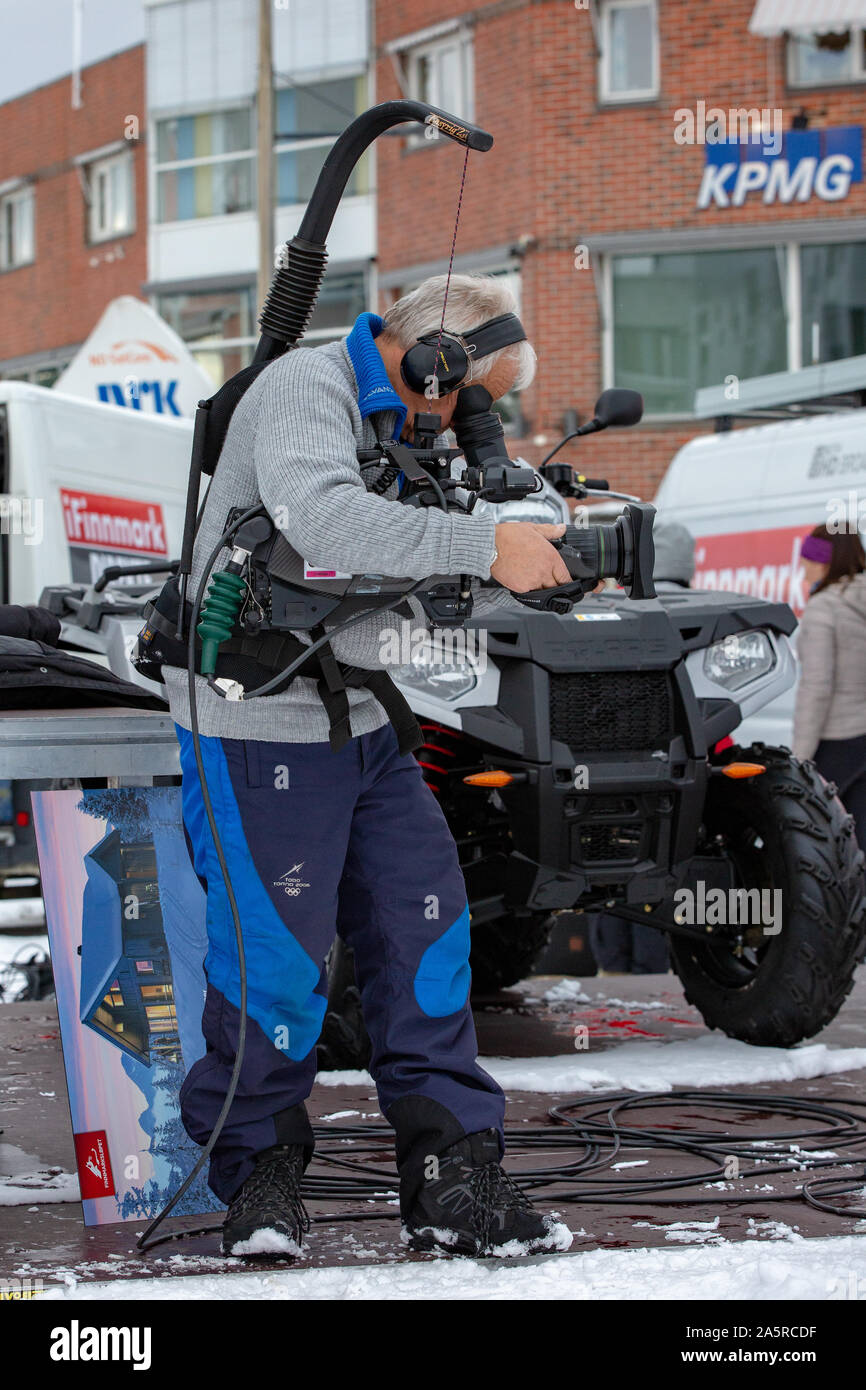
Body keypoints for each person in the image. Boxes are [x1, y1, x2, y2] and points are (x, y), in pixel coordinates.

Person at [161, 274, 573, 1258]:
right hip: (256, 718)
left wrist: (530, 515)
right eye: (472, 390)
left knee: (423, 931)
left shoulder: (414, 421)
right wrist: (484, 542)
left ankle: (453, 1179)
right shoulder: (309, 386)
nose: (472, 413)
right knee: (280, 963)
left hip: (364, 714)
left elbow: (484, 516)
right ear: (431, 356)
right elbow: (326, 524)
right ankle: (257, 1180)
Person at [793, 524, 866, 852]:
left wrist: (801, 758)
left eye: (807, 559)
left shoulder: (825, 607)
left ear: (823, 562)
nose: (803, 568)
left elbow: (817, 685)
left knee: (833, 843)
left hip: (838, 739)